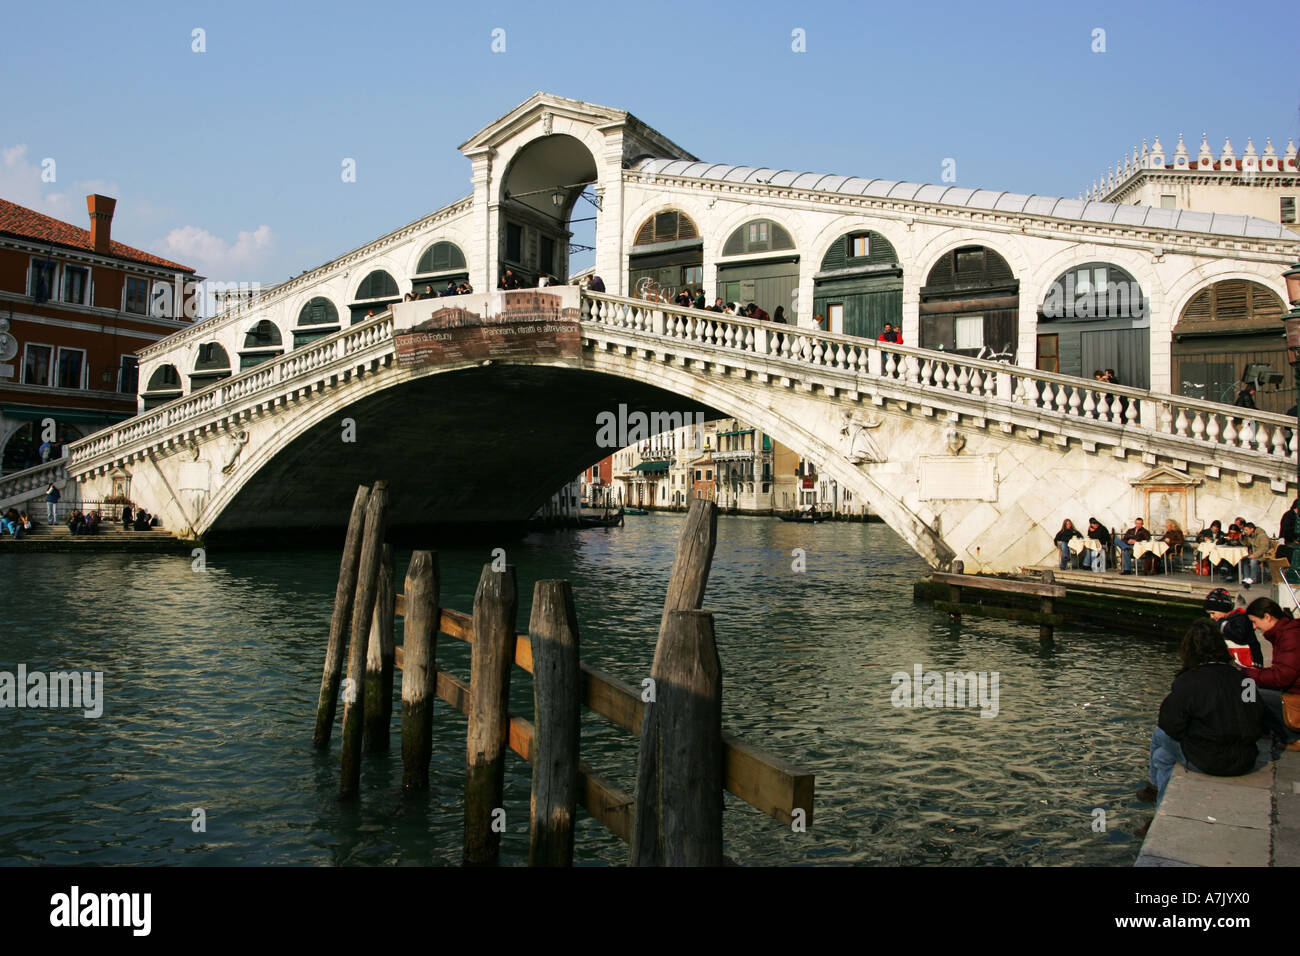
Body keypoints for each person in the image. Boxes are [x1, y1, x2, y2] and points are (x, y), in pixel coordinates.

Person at [1134, 620, 1267, 819]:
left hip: (1210, 760)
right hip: (1246, 757)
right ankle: (1154, 795)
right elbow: (1257, 719)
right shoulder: (1243, 679)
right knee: (1162, 755)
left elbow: (1169, 725)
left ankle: (1155, 800)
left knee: (1159, 743)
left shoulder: (1190, 681)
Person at [1239, 598, 1300, 750]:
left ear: (1267, 617)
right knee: (1249, 688)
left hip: (1295, 695)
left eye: (1254, 621)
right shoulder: (1285, 633)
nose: (1254, 627)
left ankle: (1292, 737)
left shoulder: (1290, 636)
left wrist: (1250, 673)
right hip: (1293, 690)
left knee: (1249, 691)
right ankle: (1266, 729)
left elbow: (1282, 677)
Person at [1203, 587, 1263, 667]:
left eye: (1213, 613)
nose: (1211, 617)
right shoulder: (1228, 621)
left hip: (1250, 665)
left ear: (1223, 609)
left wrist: (1221, 624)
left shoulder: (1241, 618)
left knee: (1248, 680)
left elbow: (1239, 635)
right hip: (1238, 664)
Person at [1241, 521, 1271, 588]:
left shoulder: (1262, 535)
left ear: (1252, 529)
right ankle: (1246, 577)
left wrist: (1255, 555)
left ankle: (1253, 578)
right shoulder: (1250, 536)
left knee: (1253, 561)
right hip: (1254, 553)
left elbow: (1264, 548)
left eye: (1246, 530)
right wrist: (1242, 538)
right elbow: (1246, 544)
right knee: (1245, 560)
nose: (1245, 531)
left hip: (1263, 555)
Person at [1279, 498, 1300, 565]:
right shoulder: (1289, 516)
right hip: (1289, 544)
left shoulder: (1292, 515)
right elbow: (1287, 530)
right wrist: (1293, 540)